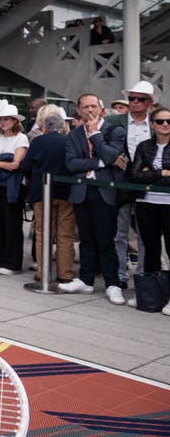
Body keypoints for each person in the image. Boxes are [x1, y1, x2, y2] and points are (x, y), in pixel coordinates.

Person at [60, 93, 128, 305]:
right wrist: (101, 163)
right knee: (86, 239)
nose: (89, 111)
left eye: (93, 107)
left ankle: (113, 284)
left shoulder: (114, 130)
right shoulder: (73, 134)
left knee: (106, 240)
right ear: (79, 110)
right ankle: (86, 280)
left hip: (105, 191)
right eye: (85, 107)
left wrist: (96, 134)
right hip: (82, 190)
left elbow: (111, 154)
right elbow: (71, 164)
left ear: (101, 109)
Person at [107, 80, 158, 288]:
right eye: (132, 98)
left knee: (147, 232)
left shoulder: (158, 124)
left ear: (150, 103)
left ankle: (142, 273)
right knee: (119, 231)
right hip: (121, 181)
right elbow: (101, 144)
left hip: (148, 183)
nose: (135, 102)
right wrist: (112, 157)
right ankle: (120, 275)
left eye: (140, 99)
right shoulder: (114, 120)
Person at [19, 106, 75, 283]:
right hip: (66, 193)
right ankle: (65, 274)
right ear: (62, 126)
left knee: (43, 233)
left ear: (44, 126)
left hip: (41, 192)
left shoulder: (38, 142)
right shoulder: (69, 141)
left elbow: (25, 167)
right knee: (65, 235)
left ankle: (42, 274)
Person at [126, 107, 170, 316]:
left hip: (169, 204)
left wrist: (149, 172)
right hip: (146, 203)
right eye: (160, 121)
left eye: (168, 121)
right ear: (152, 124)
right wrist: (161, 172)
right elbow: (134, 175)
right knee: (150, 249)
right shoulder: (144, 146)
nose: (165, 125)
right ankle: (150, 294)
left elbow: (143, 174)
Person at [0, 102, 30, 275]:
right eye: (1, 119)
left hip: (13, 186)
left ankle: (12, 263)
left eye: (6, 119)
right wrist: (2, 162)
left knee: (12, 224)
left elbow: (16, 163)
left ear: (15, 121)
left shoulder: (21, 138)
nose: (3, 122)